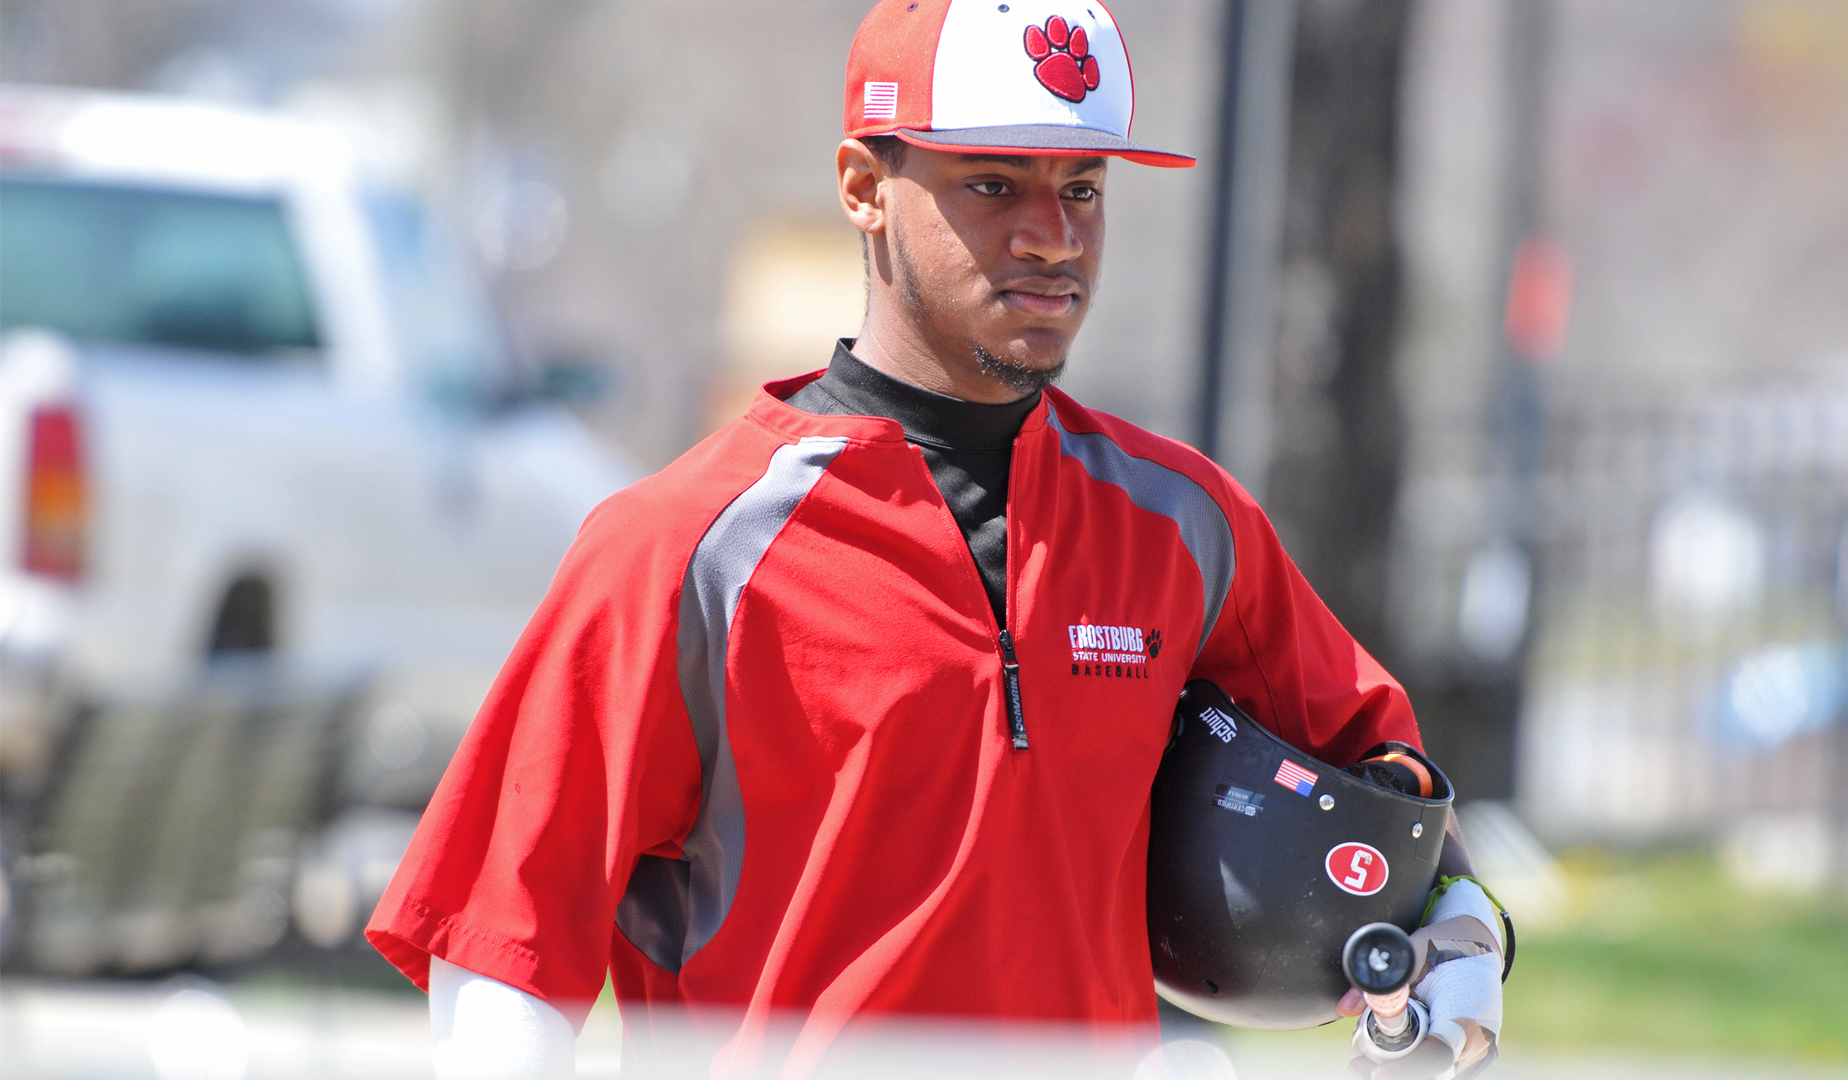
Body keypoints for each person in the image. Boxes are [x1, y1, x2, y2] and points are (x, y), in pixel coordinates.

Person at [367, 2, 1501, 1077]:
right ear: (864, 186)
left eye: (1086, 188)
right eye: (995, 184)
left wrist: (1460, 937)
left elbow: (1391, 791)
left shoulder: (1183, 524)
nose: (1054, 236)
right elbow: (502, 942)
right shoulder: (680, 547)